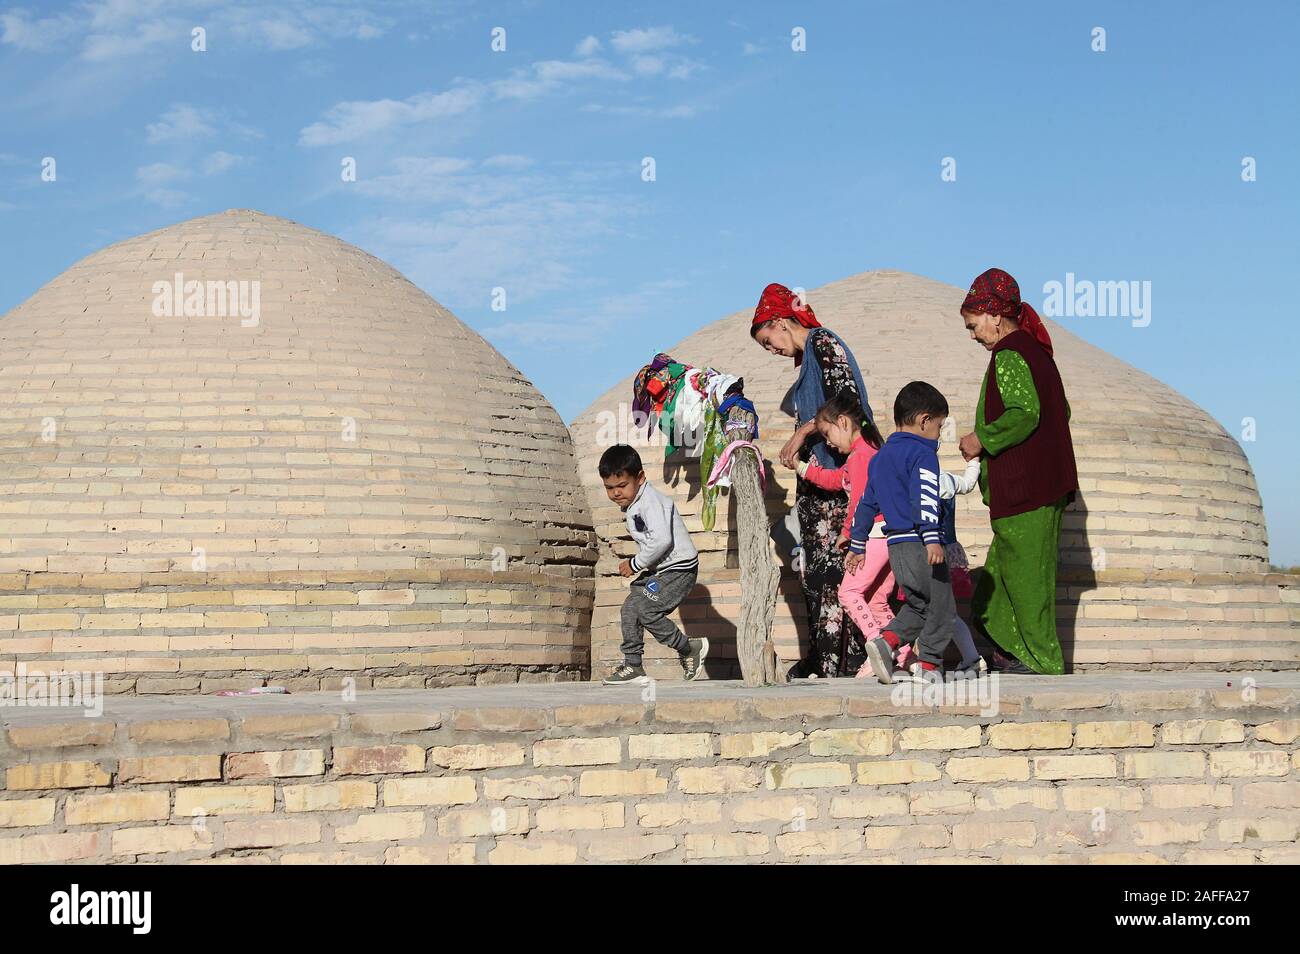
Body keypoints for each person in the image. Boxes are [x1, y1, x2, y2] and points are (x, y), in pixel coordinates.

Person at [957, 268, 1078, 675]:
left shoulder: (1011, 354)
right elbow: (1061, 412)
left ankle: (1043, 661)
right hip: (1033, 492)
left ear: (994, 315)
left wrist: (981, 439)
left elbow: (1026, 414)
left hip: (1030, 491)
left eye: (973, 325)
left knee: (1029, 584)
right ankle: (1015, 654)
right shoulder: (1036, 354)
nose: (973, 335)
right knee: (998, 581)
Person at [751, 282, 872, 677]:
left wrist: (802, 433)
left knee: (835, 572)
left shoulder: (824, 343)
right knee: (818, 573)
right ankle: (825, 659)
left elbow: (846, 404)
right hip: (819, 485)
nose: (772, 349)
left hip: (839, 485)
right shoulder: (809, 360)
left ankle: (845, 660)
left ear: (781, 321)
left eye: (770, 340)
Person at [846, 382, 956, 684]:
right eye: (939, 426)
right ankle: (930, 666)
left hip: (896, 547)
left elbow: (866, 503)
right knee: (943, 606)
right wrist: (932, 537)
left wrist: (858, 544)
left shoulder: (881, 458)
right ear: (924, 420)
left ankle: (885, 643)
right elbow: (925, 496)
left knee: (920, 605)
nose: (938, 435)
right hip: (922, 543)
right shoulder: (922, 454)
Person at [785, 392, 893, 679]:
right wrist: (802, 467)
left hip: (872, 538)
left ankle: (877, 646)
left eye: (827, 433)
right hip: (888, 538)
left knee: (848, 593)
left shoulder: (860, 457)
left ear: (843, 422)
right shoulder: (864, 454)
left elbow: (858, 502)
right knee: (877, 602)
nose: (828, 442)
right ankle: (901, 654)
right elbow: (835, 481)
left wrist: (847, 535)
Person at [597, 444, 709, 685]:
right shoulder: (635, 504)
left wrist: (635, 563)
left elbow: (662, 540)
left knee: (646, 610)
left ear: (640, 477)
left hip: (679, 569)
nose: (616, 493)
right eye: (609, 488)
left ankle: (688, 648)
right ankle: (633, 665)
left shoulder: (650, 501)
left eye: (622, 485)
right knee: (630, 608)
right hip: (662, 570)